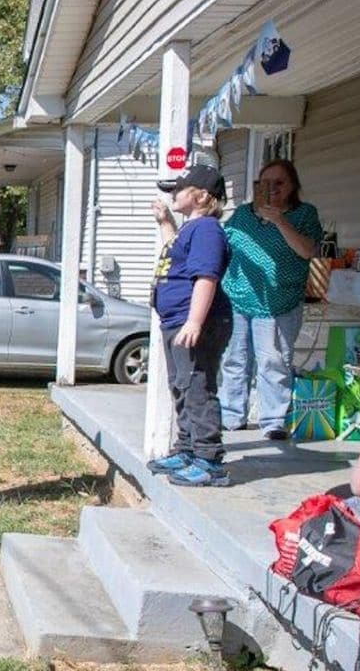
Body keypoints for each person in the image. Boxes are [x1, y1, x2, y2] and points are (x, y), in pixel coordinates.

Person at [218, 159, 323, 441]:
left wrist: (279, 220)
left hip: (279, 303)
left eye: (279, 183)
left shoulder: (304, 215)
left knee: (273, 362)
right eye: (266, 183)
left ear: (293, 186)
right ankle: (231, 416)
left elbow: (307, 251)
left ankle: (273, 420)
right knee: (234, 359)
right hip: (237, 298)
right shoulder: (242, 214)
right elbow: (224, 243)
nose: (272, 188)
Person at [146, 165, 234, 487]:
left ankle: (209, 460)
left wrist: (195, 321)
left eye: (179, 189)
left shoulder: (207, 230)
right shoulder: (190, 229)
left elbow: (206, 275)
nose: (173, 194)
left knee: (197, 386)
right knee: (182, 385)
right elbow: (177, 256)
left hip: (198, 322)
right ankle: (186, 448)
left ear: (200, 196)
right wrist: (166, 222)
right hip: (177, 321)